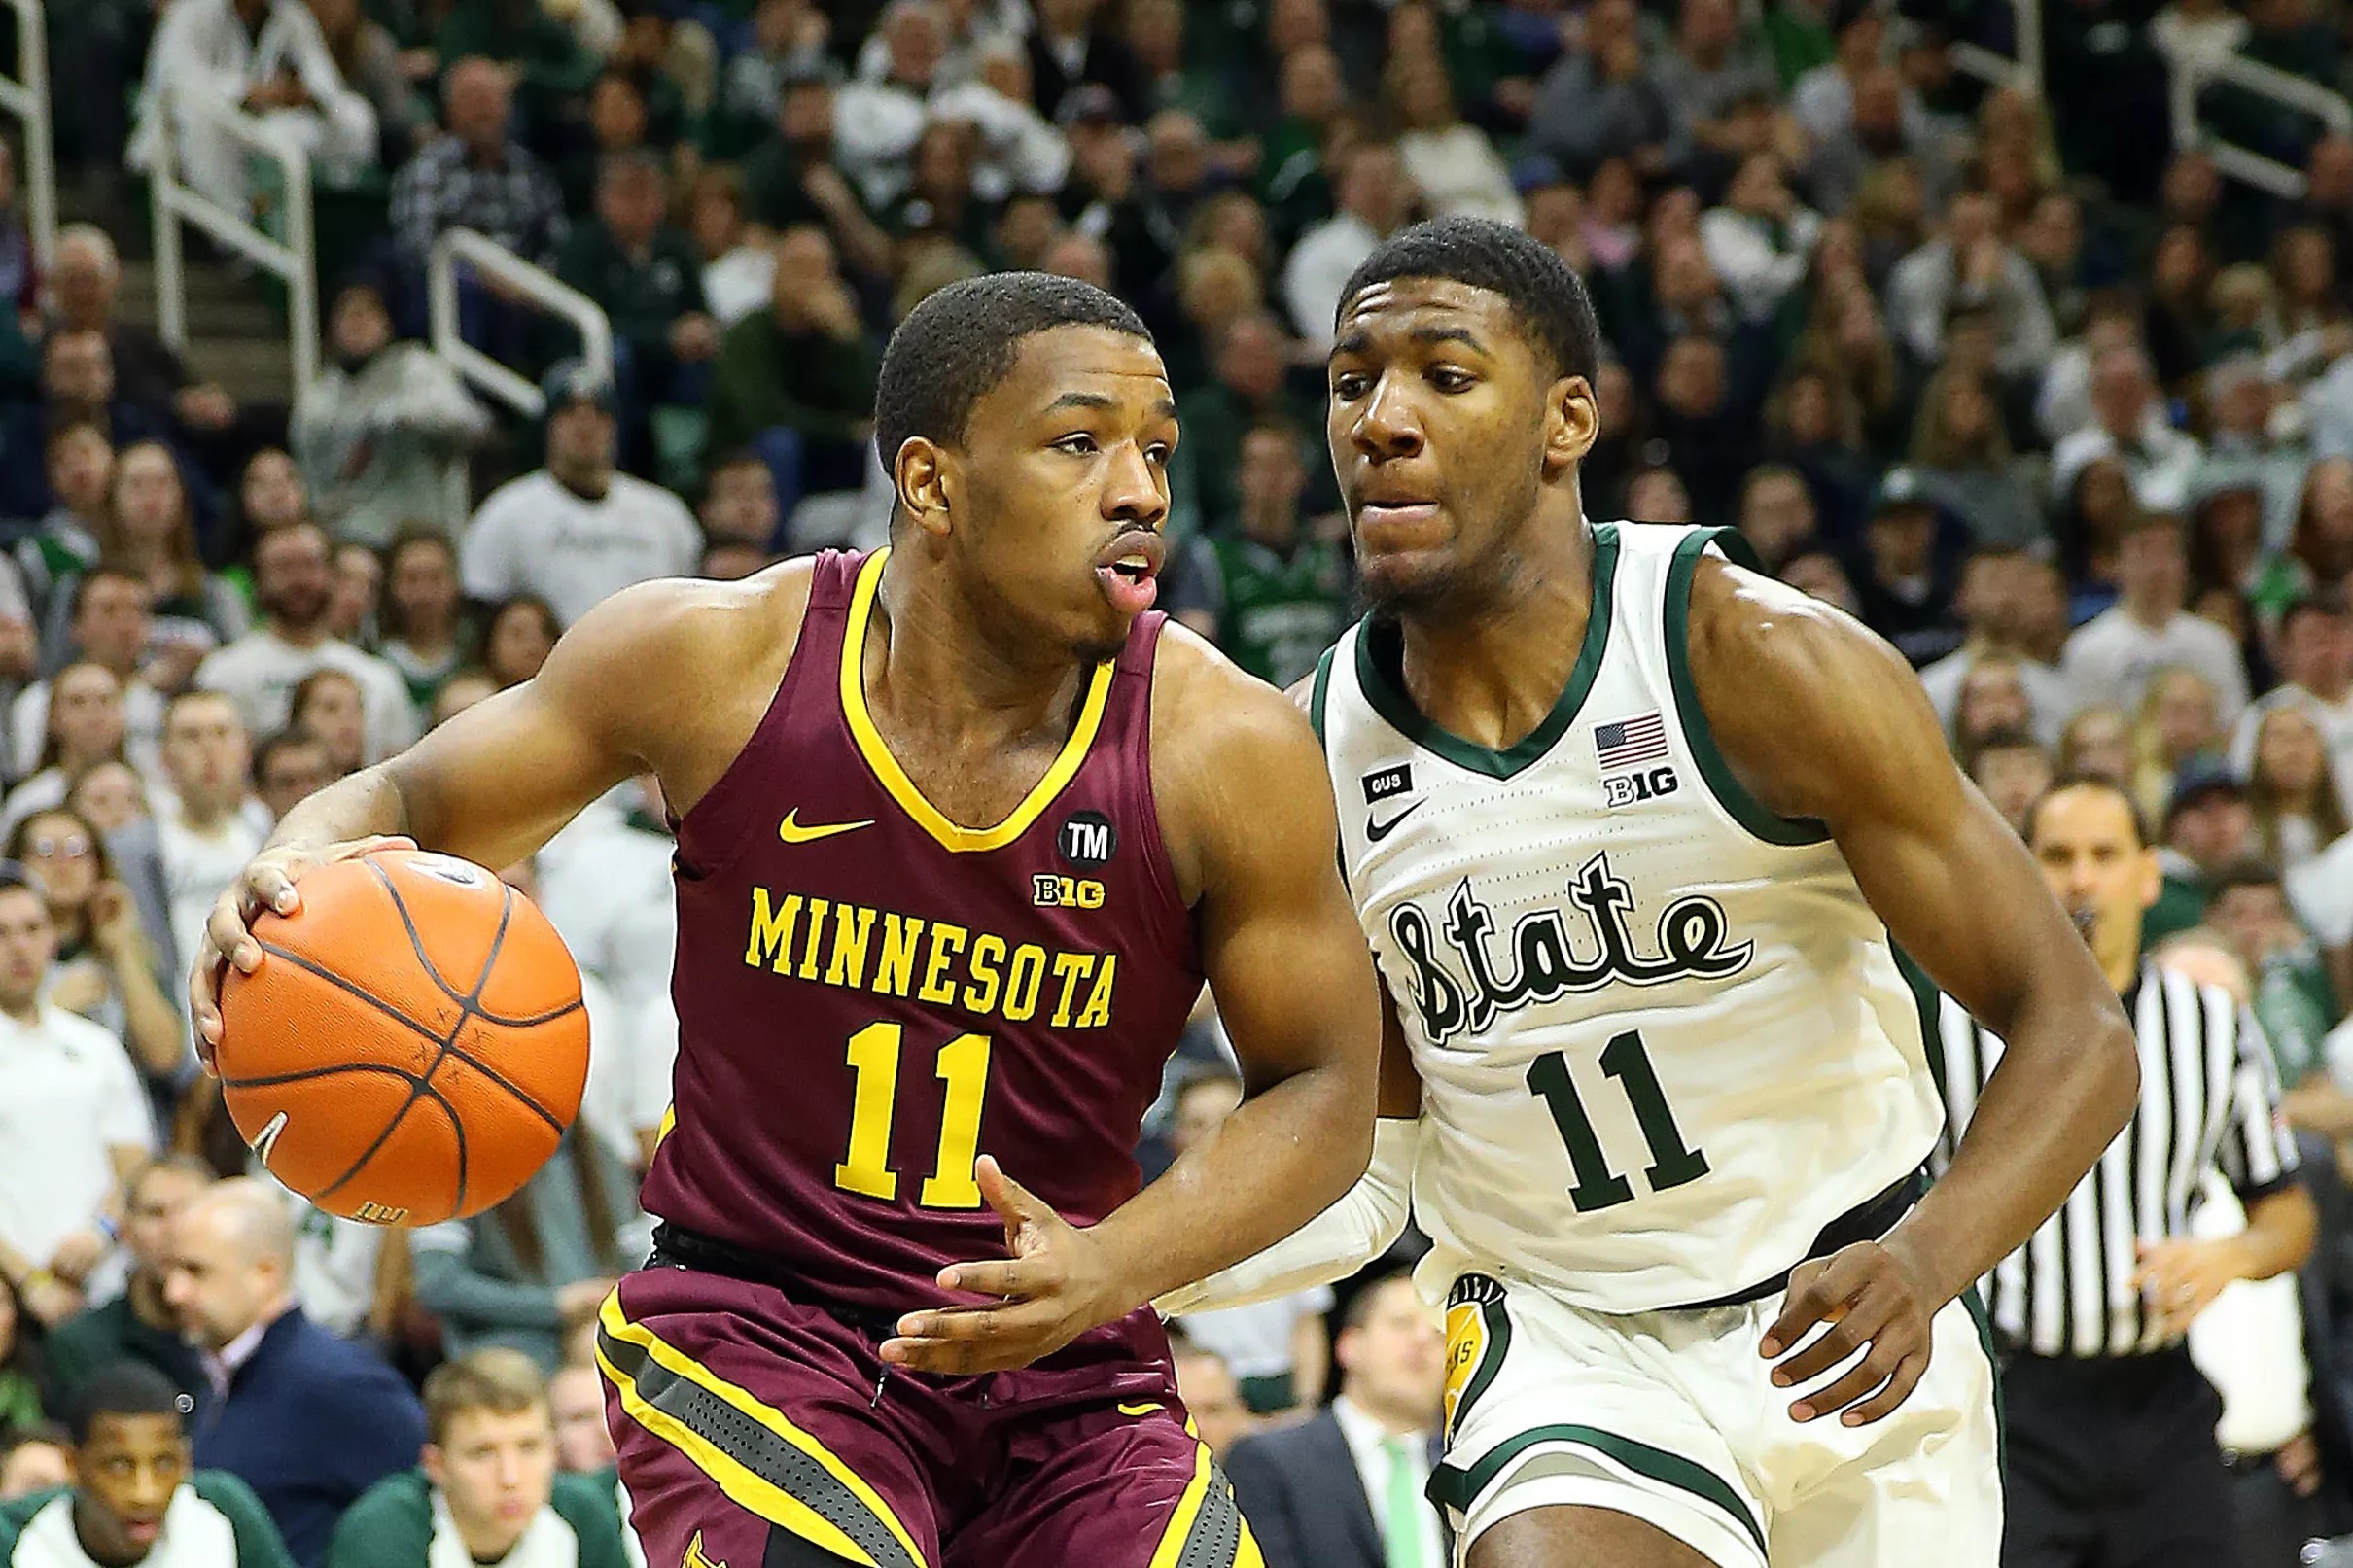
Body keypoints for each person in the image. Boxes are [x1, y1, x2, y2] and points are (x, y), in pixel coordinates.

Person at [190, 271, 1386, 1568]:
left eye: (1156, 452)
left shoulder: (1224, 745)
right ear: (931, 482)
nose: (1142, 491)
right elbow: (414, 794)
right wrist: (295, 857)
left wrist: (1111, 1268)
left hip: (1068, 1364)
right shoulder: (713, 659)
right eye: (1080, 443)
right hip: (764, 1325)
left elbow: (1326, 1083)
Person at [1160, 217, 2140, 1568]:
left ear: (1568, 420)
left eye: (1443, 375)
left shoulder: (1750, 655)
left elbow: (2077, 1027)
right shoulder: (1308, 754)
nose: (1381, 419)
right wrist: (1128, 1258)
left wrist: (1927, 1258)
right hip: (1565, 1339)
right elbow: (1366, 1161)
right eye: (1350, 380)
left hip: (1853, 1306)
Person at [1929, 776, 2315, 1567]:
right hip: (2011, 1398)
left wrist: (2227, 1257)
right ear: (2023, 869)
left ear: (2147, 873)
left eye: (2104, 855)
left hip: (2159, 1397)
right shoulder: (1950, 1024)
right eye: (2059, 854)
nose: (2081, 877)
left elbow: (2287, 1210)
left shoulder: (2209, 1021)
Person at [161, 1181, 424, 1568]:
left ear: (265, 1273)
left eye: (196, 1271)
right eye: (173, 1270)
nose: (174, 1292)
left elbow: (422, 1514)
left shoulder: (345, 1386)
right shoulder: (205, 1371)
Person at [0, 861, 152, 1335]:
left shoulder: (96, 1045)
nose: (19, 946)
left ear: (52, 939)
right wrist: (29, 1280)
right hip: (13, 1307)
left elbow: (134, 1163)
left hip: (108, 1287)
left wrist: (101, 1234)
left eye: (31, 929)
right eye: (2, 933)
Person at [1224, 1271, 1447, 1568]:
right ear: (1348, 1345)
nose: (1421, 1340)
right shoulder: (1271, 1461)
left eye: (1439, 1334)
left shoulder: (1468, 1469)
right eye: (1401, 1323)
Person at [324, 1351, 627, 1568]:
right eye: (482, 1453)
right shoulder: (382, 1530)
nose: (510, 1477)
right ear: (436, 1465)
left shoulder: (581, 1513)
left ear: (553, 1450)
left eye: (528, 1447)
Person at [459, 366, 702, 631]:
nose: (585, 425)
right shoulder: (506, 513)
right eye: (570, 412)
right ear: (549, 426)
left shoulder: (665, 514)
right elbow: (482, 605)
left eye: (599, 413)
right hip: (550, 664)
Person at [0, 1362, 293, 1568]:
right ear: (73, 1464)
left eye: (165, 1464)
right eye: (118, 1466)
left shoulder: (225, 1510)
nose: (145, 1493)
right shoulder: (13, 1537)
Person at [192, 525, 417, 768]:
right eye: (283, 567)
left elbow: (402, 773)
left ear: (333, 574)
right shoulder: (223, 673)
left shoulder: (378, 678)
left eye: (310, 565)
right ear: (259, 578)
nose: (299, 580)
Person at [291, 280, 491, 548]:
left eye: (367, 314)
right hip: (350, 544)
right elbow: (309, 471)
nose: (357, 324)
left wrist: (399, 416)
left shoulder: (418, 369)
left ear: (387, 323)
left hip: (420, 539)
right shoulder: (321, 393)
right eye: (347, 315)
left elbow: (469, 423)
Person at [1184, 424, 1350, 689]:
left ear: (1301, 475)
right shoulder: (1211, 557)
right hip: (1249, 718)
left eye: (1282, 465)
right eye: (1259, 466)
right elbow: (1189, 656)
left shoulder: (1328, 555)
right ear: (1240, 477)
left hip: (1324, 714)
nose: (1271, 477)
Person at [44, 1159, 212, 1408]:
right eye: (155, 1213)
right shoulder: (82, 1344)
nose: (174, 1230)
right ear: (125, 1230)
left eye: (188, 1211)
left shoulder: (243, 1335)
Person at [155, 695, 263, 980]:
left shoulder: (265, 832)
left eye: (222, 733)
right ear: (165, 756)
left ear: (245, 750)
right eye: (191, 736)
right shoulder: (144, 848)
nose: (209, 749)